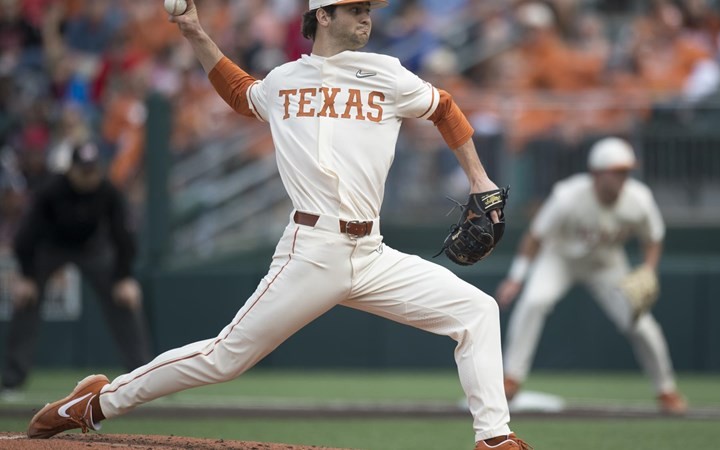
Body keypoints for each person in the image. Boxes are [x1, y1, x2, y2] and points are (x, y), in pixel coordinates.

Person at [26, 1, 533, 448]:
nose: (366, 17)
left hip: (373, 252)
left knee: (476, 311)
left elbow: (444, 108)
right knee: (225, 359)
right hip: (311, 250)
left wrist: (479, 180)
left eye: (369, 9)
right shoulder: (285, 79)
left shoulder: (388, 73)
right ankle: (95, 404)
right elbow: (241, 92)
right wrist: (195, 34)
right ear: (323, 15)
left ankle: (494, 438)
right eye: (354, 8)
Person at [495, 137, 687, 415]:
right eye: (617, 172)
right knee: (534, 302)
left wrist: (649, 269)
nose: (624, 178)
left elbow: (653, 238)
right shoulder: (567, 196)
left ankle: (666, 390)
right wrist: (516, 278)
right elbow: (535, 237)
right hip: (560, 258)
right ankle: (511, 378)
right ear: (596, 173)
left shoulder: (639, 198)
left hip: (606, 263)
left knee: (642, 325)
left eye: (627, 172)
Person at [2, 141, 152, 394]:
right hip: (51, 248)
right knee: (26, 300)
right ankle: (12, 379)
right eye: (83, 170)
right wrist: (26, 276)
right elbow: (26, 236)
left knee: (124, 301)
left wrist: (124, 277)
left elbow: (123, 236)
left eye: (93, 170)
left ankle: (144, 377)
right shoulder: (51, 190)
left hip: (91, 248)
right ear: (71, 170)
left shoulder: (107, 191)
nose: (89, 176)